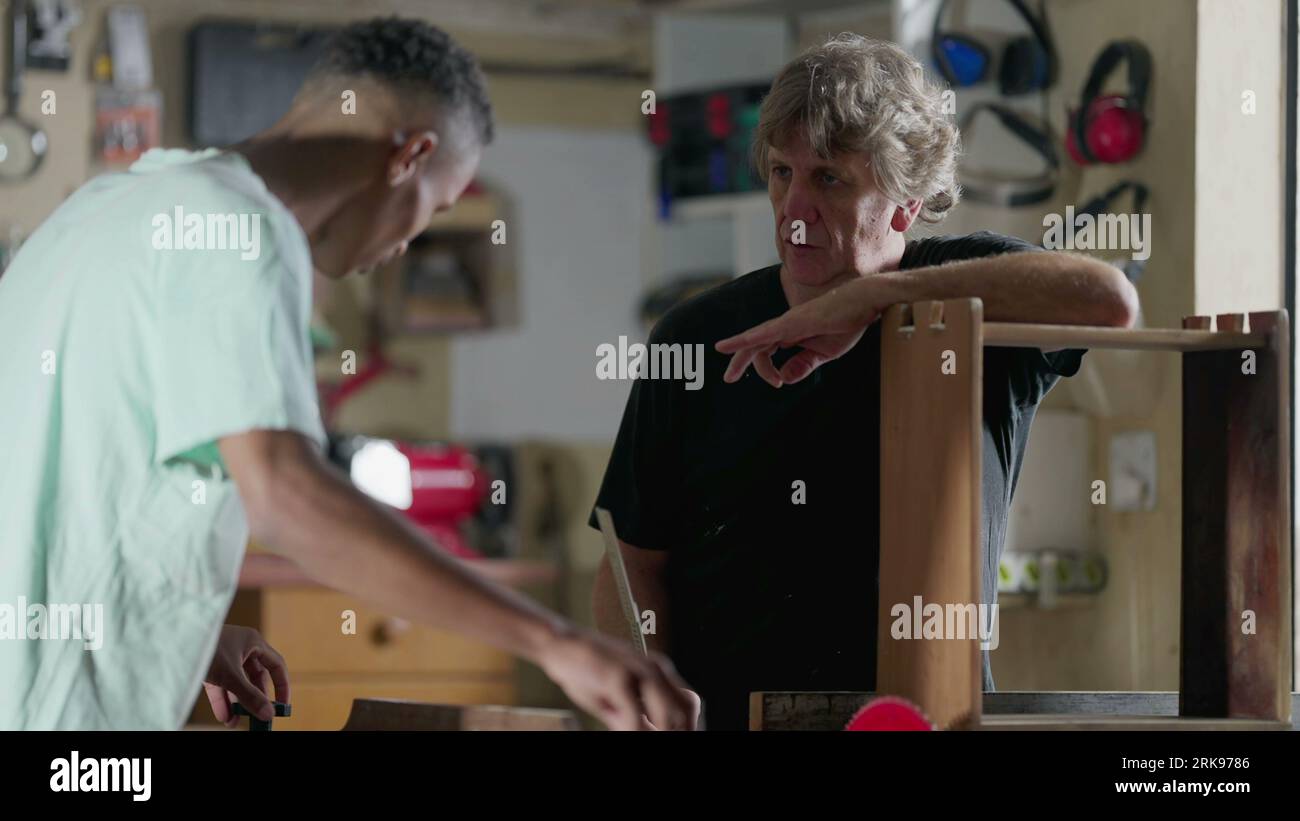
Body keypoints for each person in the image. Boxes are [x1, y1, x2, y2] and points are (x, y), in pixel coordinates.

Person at [0, 17, 693, 731]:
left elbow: (69, 489)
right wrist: (559, 641)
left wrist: (185, 634)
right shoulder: (242, 232)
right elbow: (285, 495)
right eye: (437, 208)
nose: (405, 247)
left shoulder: (115, 202)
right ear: (410, 158)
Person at [590, 33, 1139, 731]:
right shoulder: (696, 336)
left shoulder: (967, 304)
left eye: (829, 179)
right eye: (781, 172)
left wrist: (871, 299)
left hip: (921, 716)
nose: (793, 207)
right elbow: (631, 559)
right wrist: (643, 692)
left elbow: (1108, 300)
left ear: (905, 207)